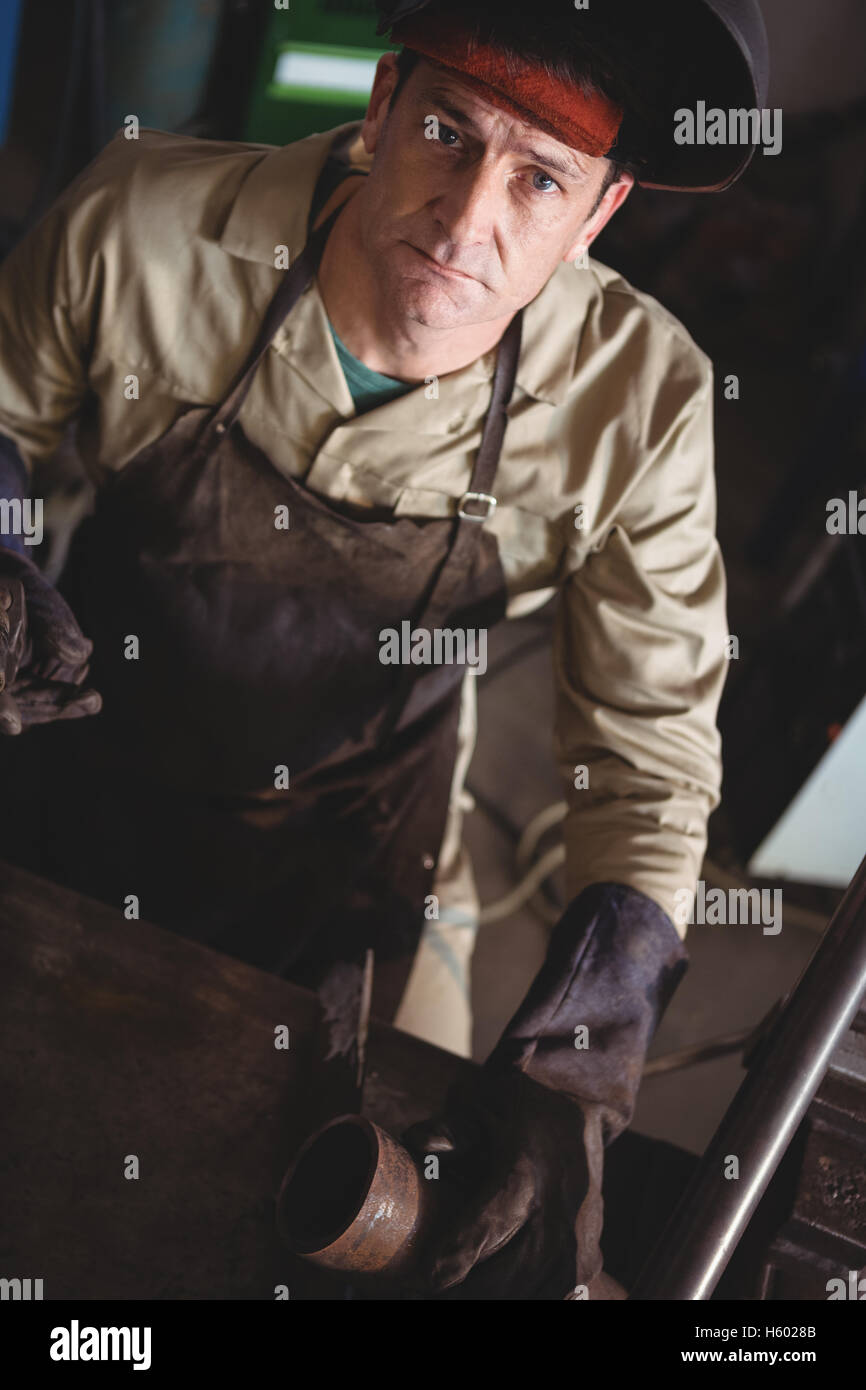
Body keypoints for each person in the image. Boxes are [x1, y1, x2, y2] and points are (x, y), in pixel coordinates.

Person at [0, 0, 769, 1297]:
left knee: (394, 1232)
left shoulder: (640, 405)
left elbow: (648, 756)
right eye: (445, 132)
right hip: (77, 767)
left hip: (362, 858)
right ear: (376, 111)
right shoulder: (138, 226)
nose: (468, 221)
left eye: (539, 178)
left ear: (599, 214)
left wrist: (581, 1060)